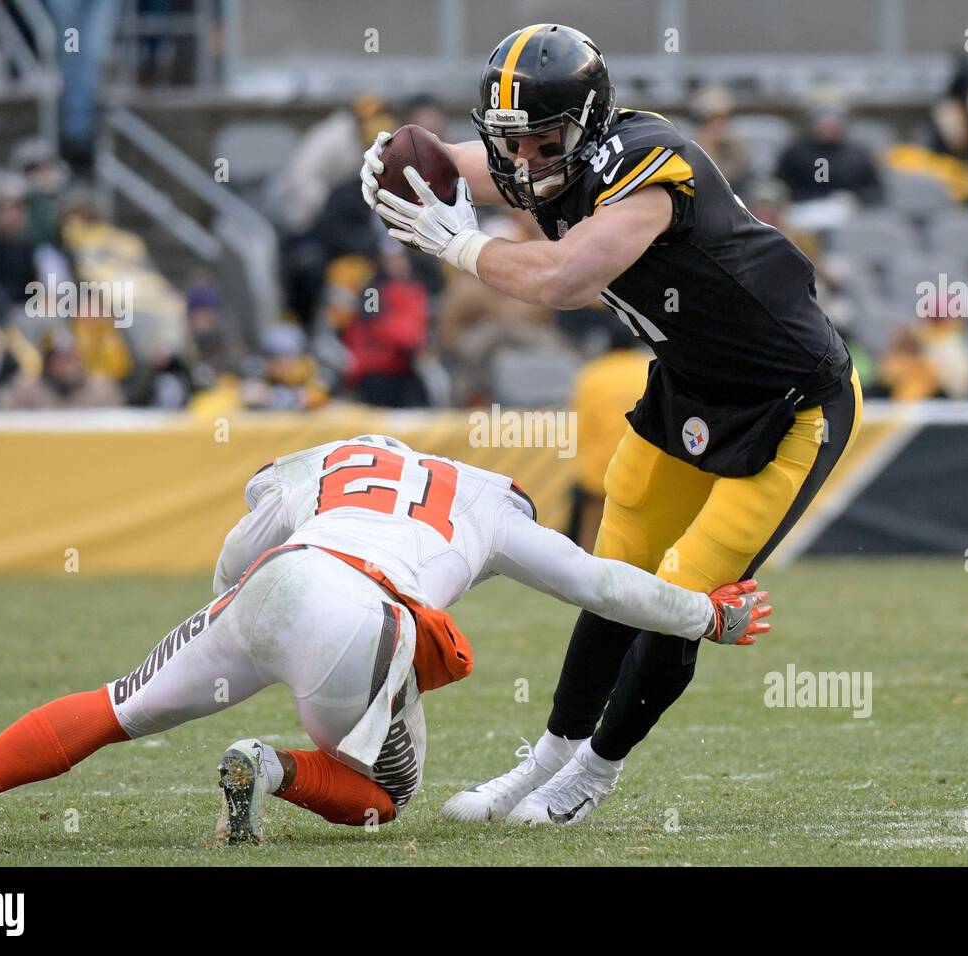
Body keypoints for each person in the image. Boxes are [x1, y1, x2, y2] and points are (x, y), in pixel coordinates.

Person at [363, 23, 862, 825]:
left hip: (788, 404)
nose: (523, 164)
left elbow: (566, 277)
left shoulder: (647, 170)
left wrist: (461, 247)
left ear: (589, 125)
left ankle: (594, 774)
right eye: (511, 144)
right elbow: (457, 161)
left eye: (542, 142)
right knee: (611, 576)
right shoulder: (545, 155)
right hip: (687, 385)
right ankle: (547, 760)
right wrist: (393, 156)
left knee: (677, 594)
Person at [0, 435, 771, 843]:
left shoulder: (339, 456)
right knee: (386, 797)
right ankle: (268, 769)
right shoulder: (493, 507)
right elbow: (604, 585)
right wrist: (711, 616)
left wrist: (240, 635)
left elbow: (237, 554)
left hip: (274, 584)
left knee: (117, 706)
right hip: (358, 612)